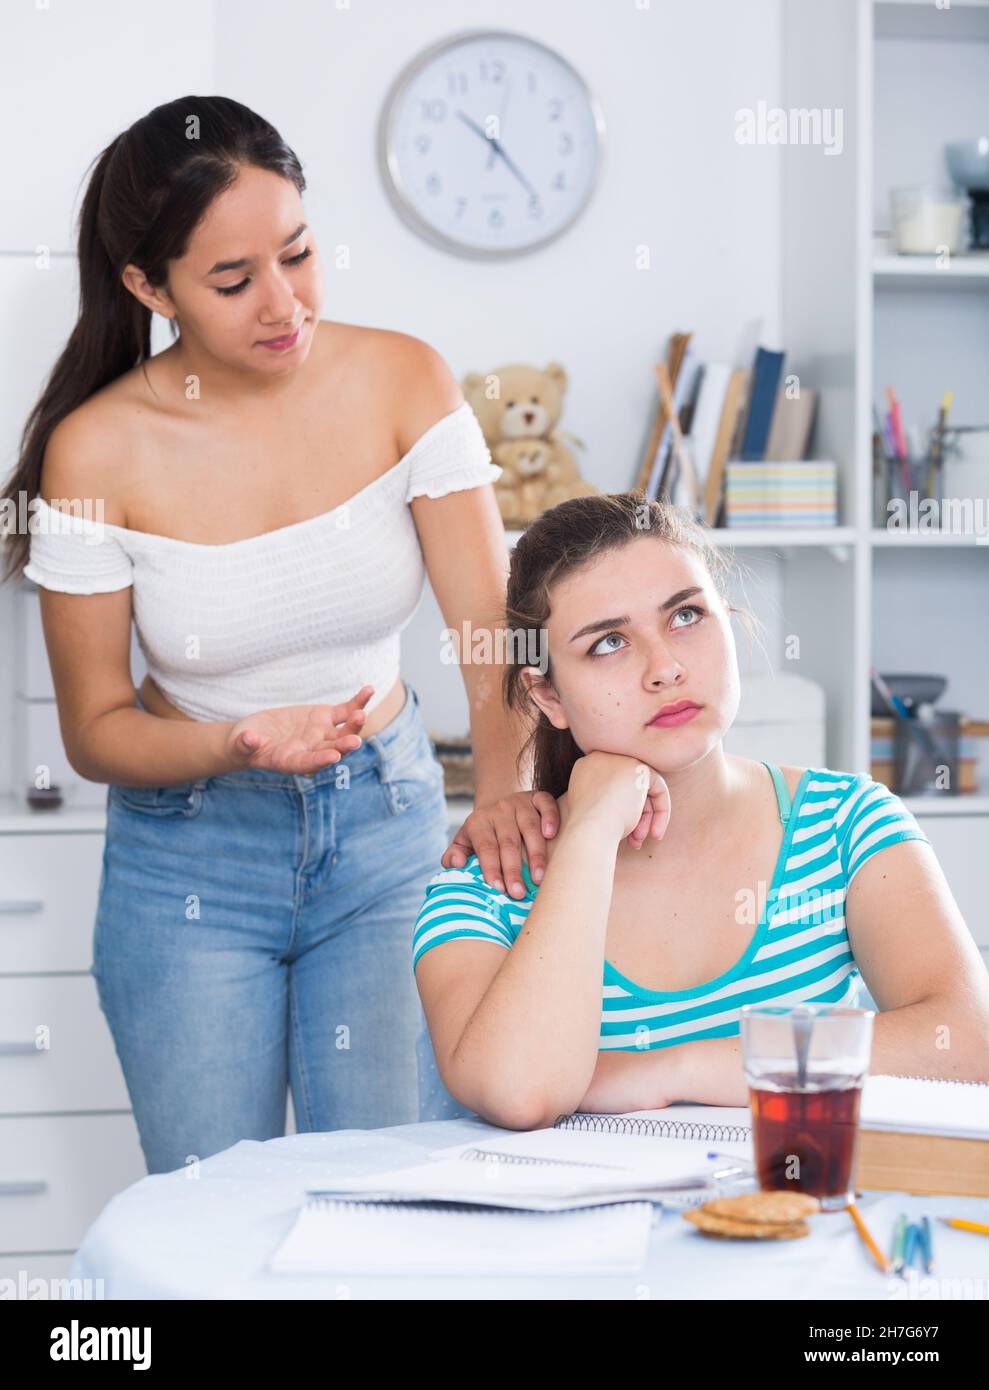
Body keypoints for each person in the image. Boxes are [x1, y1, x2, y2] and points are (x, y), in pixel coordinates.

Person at [0, 95, 562, 1175]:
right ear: (147, 287)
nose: (283, 303)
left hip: (392, 834)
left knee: (402, 1192)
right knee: (217, 1212)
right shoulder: (96, 450)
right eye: (230, 280)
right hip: (189, 856)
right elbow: (96, 728)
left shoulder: (404, 380)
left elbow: (490, 631)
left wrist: (498, 798)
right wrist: (237, 741)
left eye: (297, 255)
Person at [412, 493, 989, 1129]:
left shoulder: (847, 824)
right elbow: (518, 1092)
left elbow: (967, 1042)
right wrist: (591, 834)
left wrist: (674, 1071)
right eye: (608, 644)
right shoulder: (487, 879)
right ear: (547, 694)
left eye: (686, 616)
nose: (666, 668)